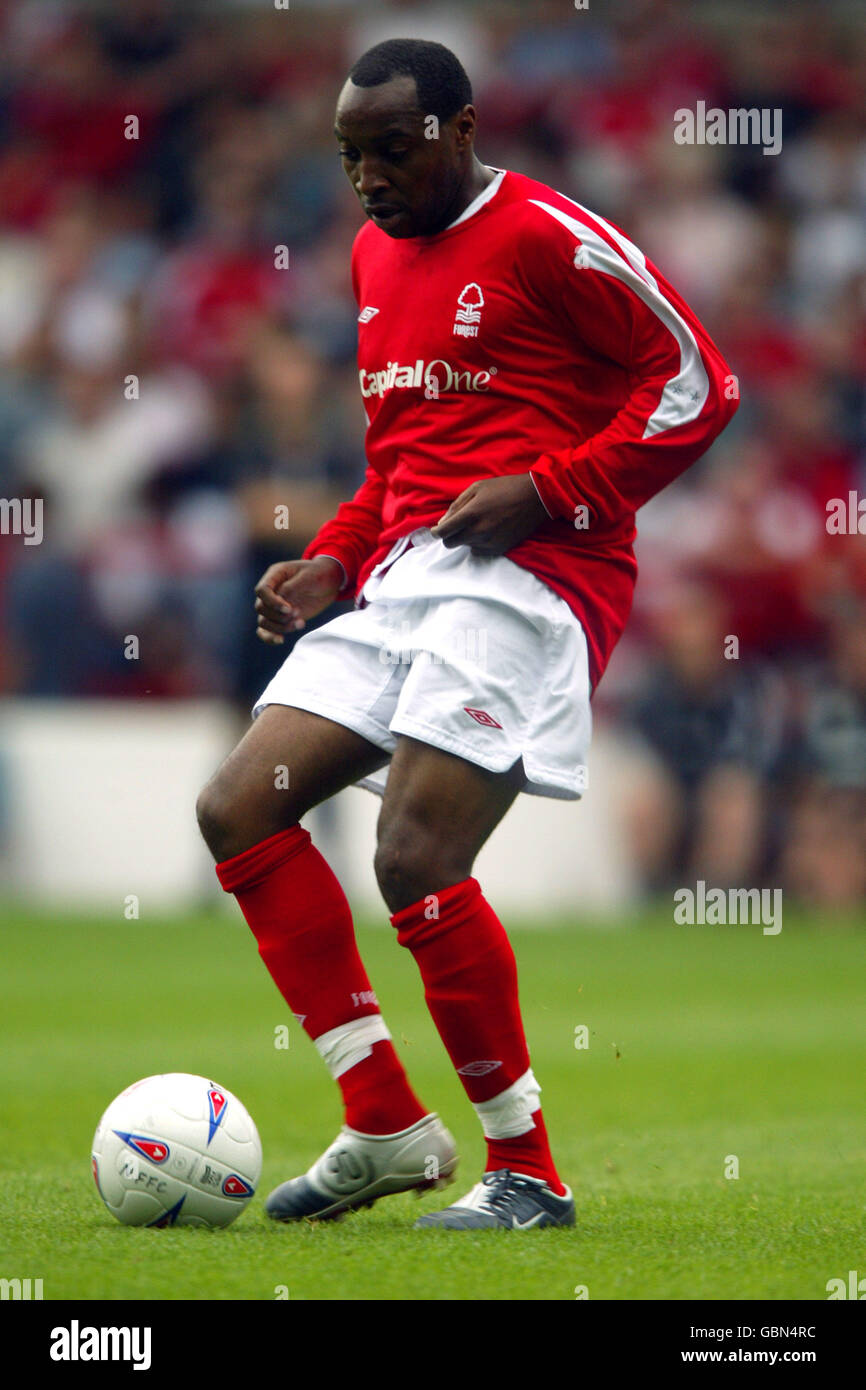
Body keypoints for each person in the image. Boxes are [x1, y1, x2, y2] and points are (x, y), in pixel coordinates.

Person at [196, 38, 739, 1231]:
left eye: (392, 149)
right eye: (350, 158)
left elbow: (702, 382)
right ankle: (384, 1120)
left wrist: (548, 491)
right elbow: (398, 460)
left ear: (458, 127)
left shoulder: (548, 233)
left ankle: (527, 1173)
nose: (371, 179)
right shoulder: (369, 253)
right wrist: (333, 554)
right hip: (402, 577)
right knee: (238, 804)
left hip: (533, 579)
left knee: (413, 855)